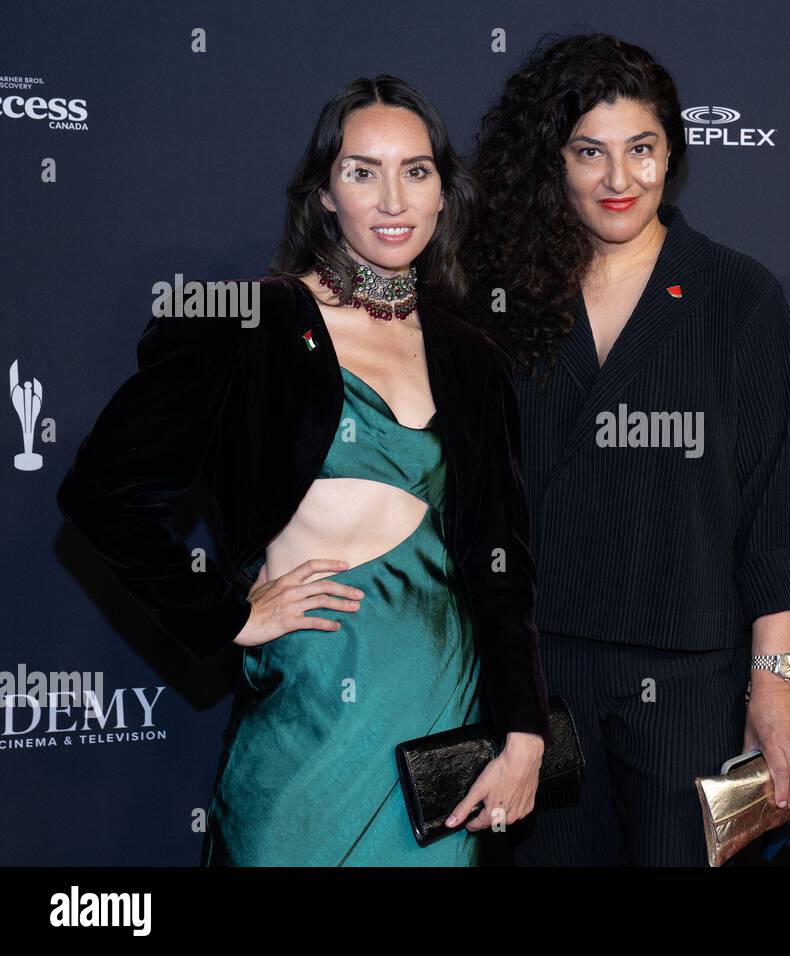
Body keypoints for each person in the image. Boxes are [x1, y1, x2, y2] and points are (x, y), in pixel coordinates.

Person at [56, 76, 548, 866]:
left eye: (416, 171)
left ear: (443, 191)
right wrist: (227, 615)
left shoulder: (473, 359)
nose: (393, 199)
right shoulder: (246, 318)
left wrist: (524, 730)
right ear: (324, 193)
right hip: (311, 712)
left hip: (438, 718)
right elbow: (102, 491)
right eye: (363, 171)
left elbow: (501, 563)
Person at [463, 33, 790, 866]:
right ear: (553, 161)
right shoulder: (505, 295)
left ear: (673, 153)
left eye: (641, 149)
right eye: (590, 152)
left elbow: (776, 511)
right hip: (539, 673)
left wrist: (775, 681)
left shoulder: (740, 295)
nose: (618, 181)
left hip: (693, 675)